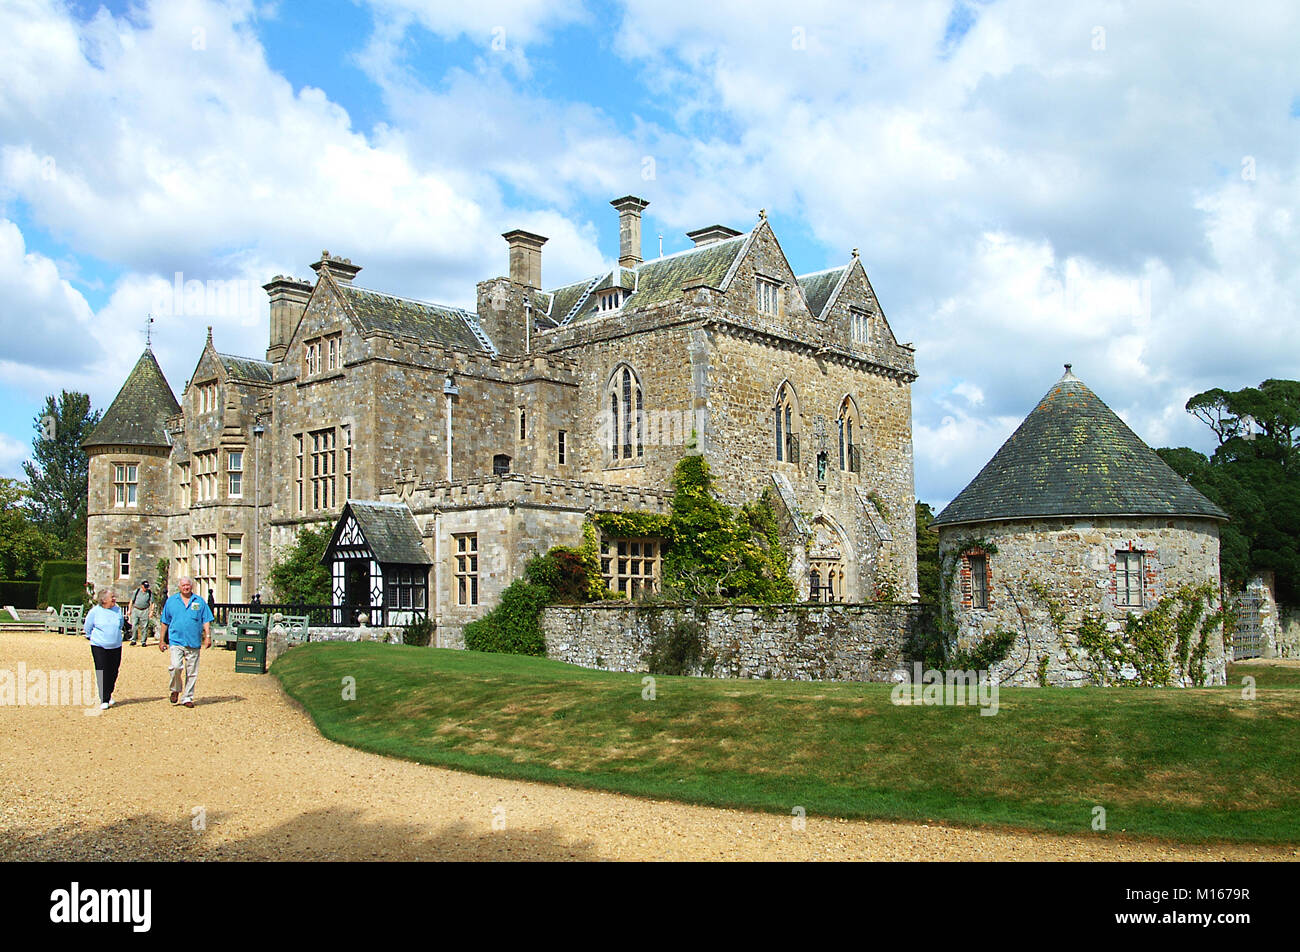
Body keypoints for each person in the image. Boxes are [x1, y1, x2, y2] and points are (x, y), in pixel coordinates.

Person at [158, 575, 213, 709]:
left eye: (188, 585)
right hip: (176, 640)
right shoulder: (171, 601)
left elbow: (206, 619)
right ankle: (175, 689)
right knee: (176, 666)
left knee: (192, 671)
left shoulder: (199, 602)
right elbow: (165, 622)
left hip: (193, 641)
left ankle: (187, 697)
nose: (186, 587)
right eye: (183, 585)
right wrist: (161, 640)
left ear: (192, 586)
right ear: (179, 587)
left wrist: (208, 636)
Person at [83, 587, 125, 710]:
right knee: (102, 670)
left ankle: (108, 692)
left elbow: (121, 624)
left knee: (113, 671)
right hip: (99, 645)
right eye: (112, 597)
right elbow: (88, 627)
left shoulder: (117, 610)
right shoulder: (95, 611)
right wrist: (92, 638)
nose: (114, 599)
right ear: (104, 600)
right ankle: (104, 698)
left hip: (116, 645)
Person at [127, 579, 154, 647]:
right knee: (134, 625)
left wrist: (151, 611)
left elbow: (152, 603)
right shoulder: (137, 591)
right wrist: (129, 610)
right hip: (136, 609)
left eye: (147, 587)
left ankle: (143, 641)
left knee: (144, 626)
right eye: (145, 587)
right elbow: (131, 601)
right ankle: (133, 640)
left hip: (145, 610)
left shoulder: (149, 593)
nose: (146, 588)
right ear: (142, 586)